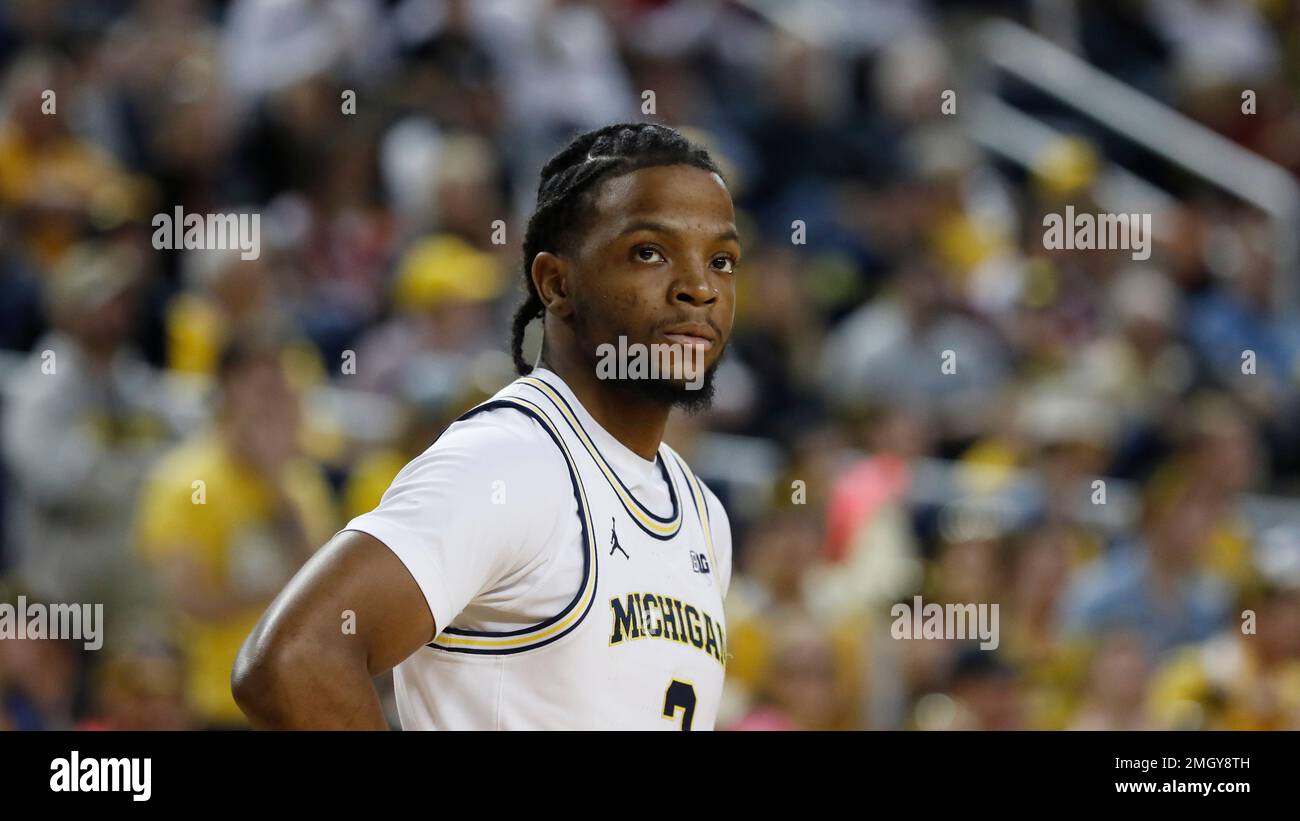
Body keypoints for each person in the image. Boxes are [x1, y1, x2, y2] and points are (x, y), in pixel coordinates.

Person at [232, 122, 738, 729]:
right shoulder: (509, 460)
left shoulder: (703, 512)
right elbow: (292, 659)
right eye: (649, 252)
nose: (699, 288)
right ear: (556, 283)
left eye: (721, 260)